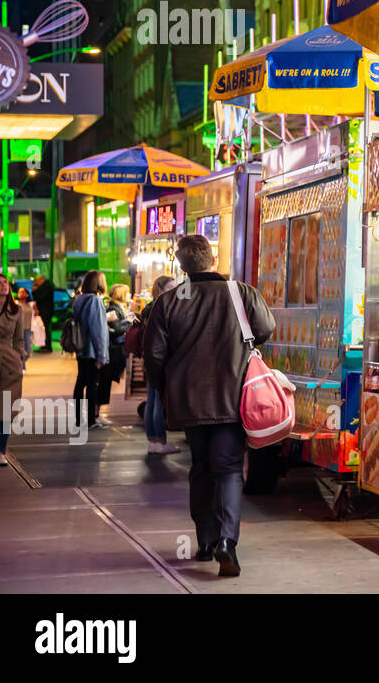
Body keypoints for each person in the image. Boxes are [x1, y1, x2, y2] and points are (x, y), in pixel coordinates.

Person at [144, 234, 274, 578]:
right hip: (233, 398)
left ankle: (205, 540)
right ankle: (228, 542)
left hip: (190, 400)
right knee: (229, 468)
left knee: (200, 467)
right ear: (211, 259)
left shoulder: (168, 301)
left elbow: (153, 355)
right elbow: (266, 328)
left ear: (182, 264)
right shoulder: (240, 292)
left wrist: (165, 387)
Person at [0, 274, 25, 466]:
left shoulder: (16, 311)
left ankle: (1, 450)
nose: (3, 286)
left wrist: (19, 357)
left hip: (9, 363)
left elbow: (19, 339)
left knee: (5, 408)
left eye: (5, 283)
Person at [138, 276, 180, 455]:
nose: (175, 291)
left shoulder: (149, 308)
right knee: (158, 401)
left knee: (153, 399)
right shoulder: (162, 309)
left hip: (150, 359)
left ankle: (153, 440)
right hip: (160, 359)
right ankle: (160, 441)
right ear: (161, 290)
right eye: (171, 288)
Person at [71, 271, 110, 429]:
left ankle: (79, 419)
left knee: (80, 383)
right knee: (92, 384)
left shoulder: (79, 299)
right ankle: (91, 420)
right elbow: (98, 329)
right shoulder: (95, 300)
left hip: (81, 349)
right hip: (92, 350)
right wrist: (102, 355)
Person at [101, 283, 134, 408]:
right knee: (105, 380)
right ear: (121, 294)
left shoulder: (118, 307)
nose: (130, 295)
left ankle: (97, 412)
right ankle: (96, 412)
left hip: (115, 348)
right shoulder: (113, 309)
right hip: (113, 349)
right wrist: (129, 322)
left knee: (106, 380)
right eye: (127, 293)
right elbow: (118, 328)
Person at [32, 272, 54, 353]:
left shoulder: (47, 287)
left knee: (45, 329)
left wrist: (35, 289)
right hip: (44, 310)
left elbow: (39, 297)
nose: (36, 281)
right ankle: (44, 345)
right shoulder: (45, 287)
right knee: (43, 329)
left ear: (42, 279)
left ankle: (47, 346)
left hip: (46, 311)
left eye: (38, 280)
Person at [15, 286, 35, 372]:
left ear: (27, 294)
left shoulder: (31, 304)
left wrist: (36, 310)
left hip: (28, 329)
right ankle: (22, 367)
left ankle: (20, 362)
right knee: (20, 349)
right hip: (18, 329)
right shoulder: (15, 304)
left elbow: (36, 315)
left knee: (28, 351)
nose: (21, 294)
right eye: (19, 292)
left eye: (23, 292)